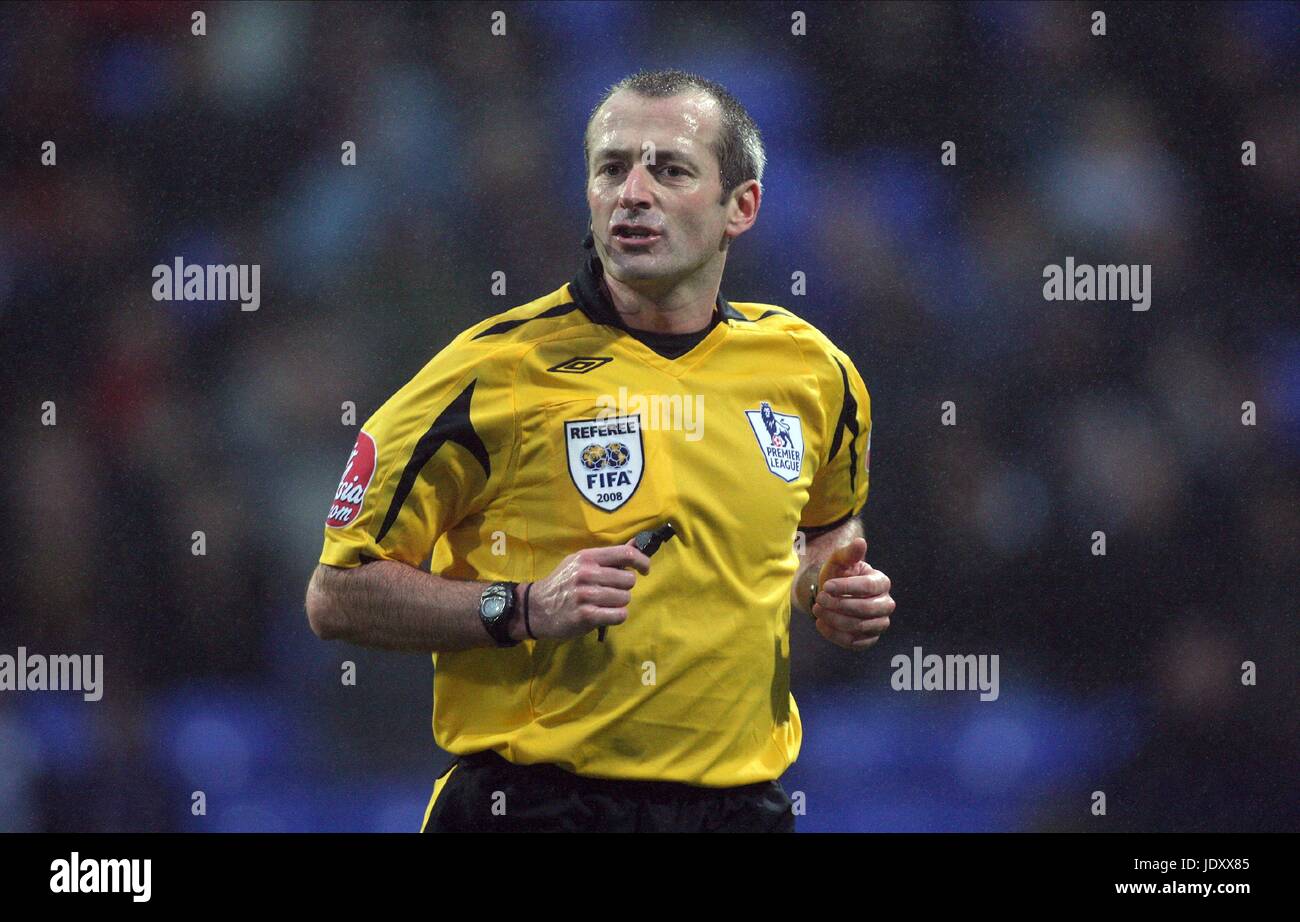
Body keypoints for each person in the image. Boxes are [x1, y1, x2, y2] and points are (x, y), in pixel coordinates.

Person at [304, 69, 895, 833]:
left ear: (740, 207)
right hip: (536, 807)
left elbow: (828, 529)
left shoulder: (815, 373)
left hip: (741, 812)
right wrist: (519, 607)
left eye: (670, 169)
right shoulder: (492, 370)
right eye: (612, 168)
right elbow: (336, 593)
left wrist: (828, 587)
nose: (634, 192)